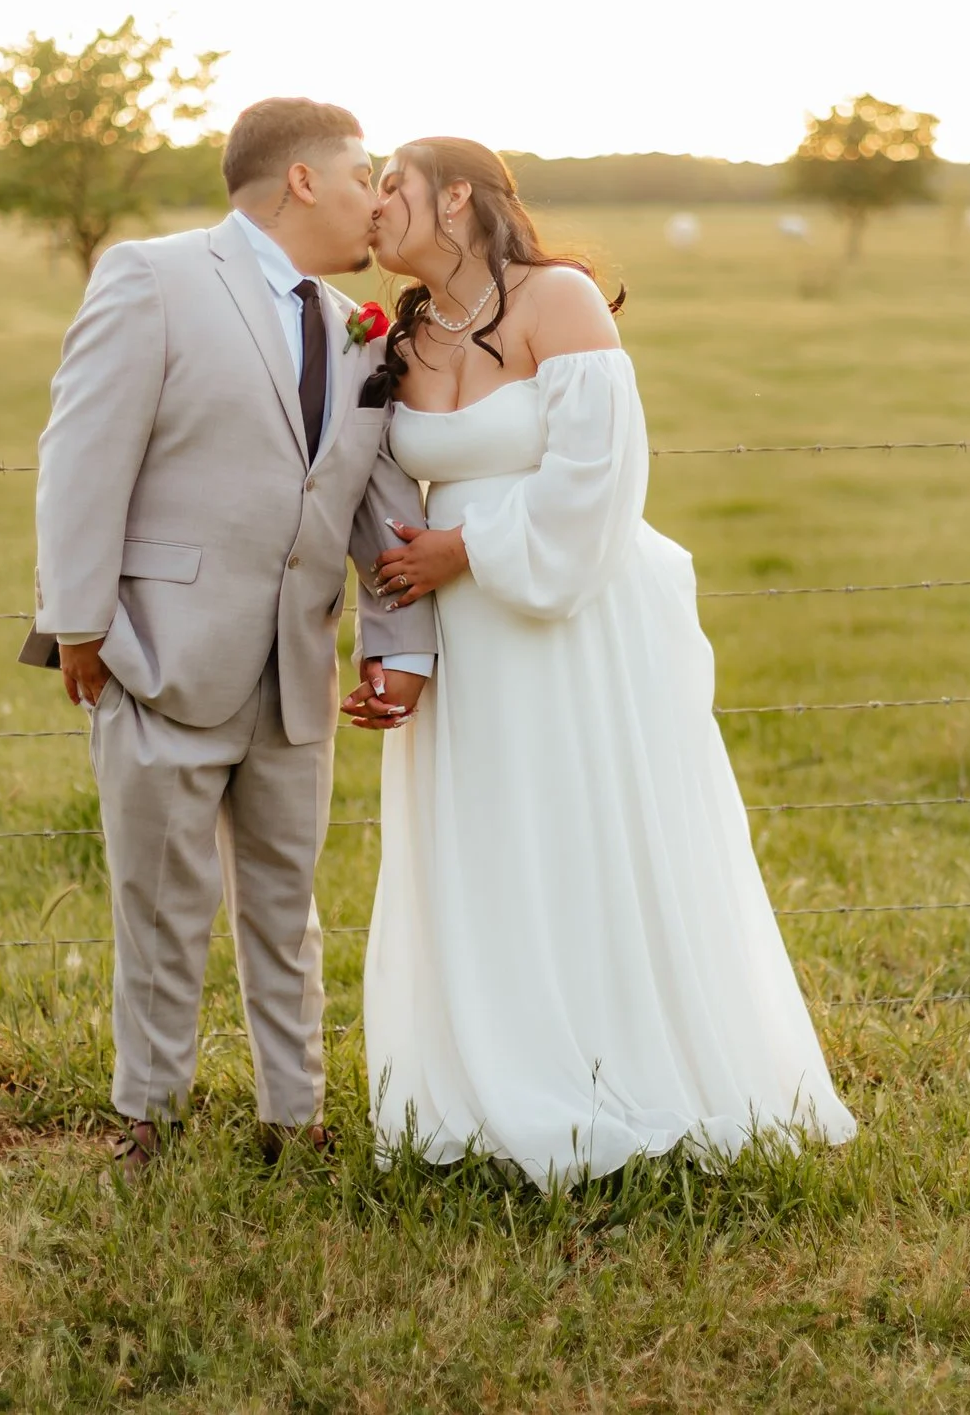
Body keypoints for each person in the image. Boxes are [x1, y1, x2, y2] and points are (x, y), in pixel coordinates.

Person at [351, 137, 855, 1186]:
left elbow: (599, 480)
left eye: (393, 185)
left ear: (457, 195)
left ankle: (619, 1070)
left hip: (572, 618)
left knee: (583, 830)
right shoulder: (399, 337)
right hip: (467, 638)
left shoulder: (560, 301)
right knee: (491, 840)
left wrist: (464, 550)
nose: (375, 205)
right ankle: (494, 1081)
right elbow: (379, 497)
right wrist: (399, 635)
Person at [26, 98, 438, 1175]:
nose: (374, 199)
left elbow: (378, 504)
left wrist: (400, 644)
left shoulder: (360, 328)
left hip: (296, 673)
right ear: (302, 180)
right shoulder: (153, 278)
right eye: (361, 175)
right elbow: (82, 455)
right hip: (162, 652)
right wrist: (79, 622)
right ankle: (148, 1115)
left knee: (287, 908)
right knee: (162, 905)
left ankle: (293, 1116)